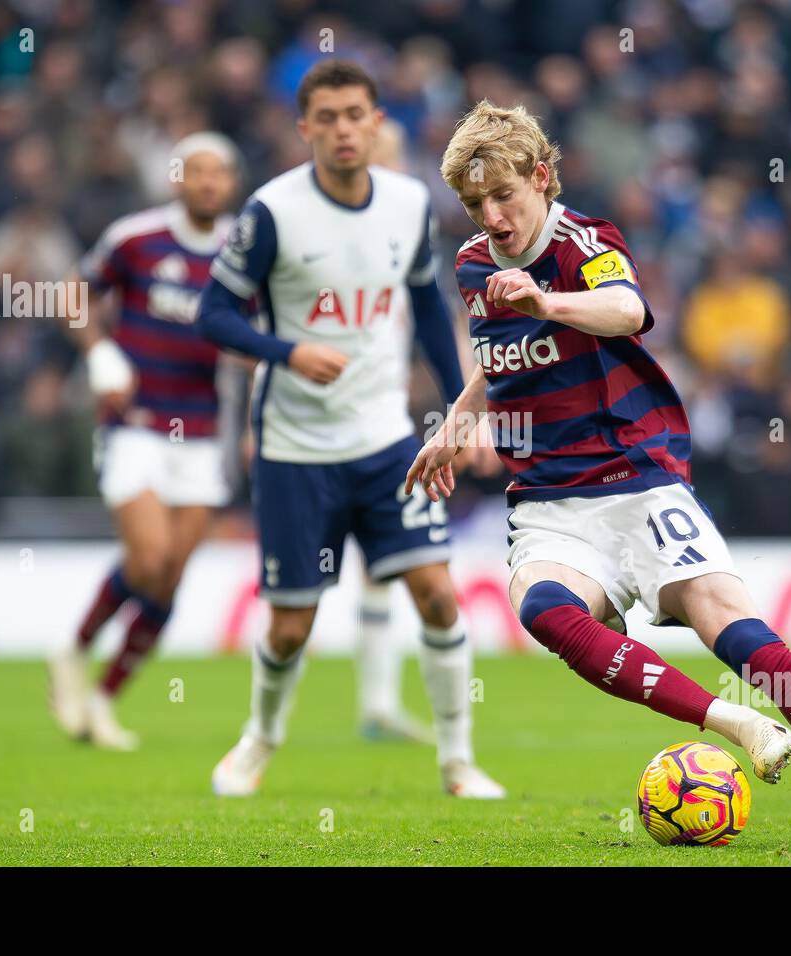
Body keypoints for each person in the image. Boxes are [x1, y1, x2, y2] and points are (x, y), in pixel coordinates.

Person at [405, 100, 791, 844]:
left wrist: (547, 298)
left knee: (743, 642)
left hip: (637, 479)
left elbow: (627, 309)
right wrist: (459, 418)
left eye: (504, 195)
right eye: (476, 203)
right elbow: (503, 362)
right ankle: (729, 721)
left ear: (541, 177)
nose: (491, 215)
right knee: (544, 610)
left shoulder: (584, 239)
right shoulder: (473, 265)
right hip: (549, 501)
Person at [197, 60, 503, 799]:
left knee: (436, 592)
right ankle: (258, 741)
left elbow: (431, 311)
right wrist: (288, 351)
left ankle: (458, 762)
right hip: (295, 449)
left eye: (354, 114)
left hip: (386, 441)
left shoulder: (406, 203)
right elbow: (213, 314)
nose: (342, 129)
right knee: (291, 627)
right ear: (304, 128)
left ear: (375, 122)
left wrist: (469, 409)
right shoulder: (273, 212)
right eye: (326, 117)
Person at [47, 132, 240, 750]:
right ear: (178, 178)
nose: (208, 183)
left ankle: (103, 700)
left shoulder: (244, 251)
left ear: (231, 184)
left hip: (204, 431)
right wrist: (100, 349)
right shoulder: (136, 237)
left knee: (168, 579)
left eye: (220, 174)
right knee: (150, 557)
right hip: (136, 424)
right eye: (198, 172)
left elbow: (260, 331)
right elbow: (73, 293)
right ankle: (73, 650)